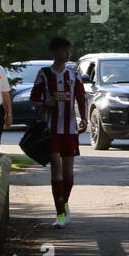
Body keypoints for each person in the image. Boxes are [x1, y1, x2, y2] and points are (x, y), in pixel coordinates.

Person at [30, 37, 88, 228]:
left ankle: (64, 205)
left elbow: (81, 98)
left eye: (68, 50)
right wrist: (45, 102)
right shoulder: (44, 74)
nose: (67, 54)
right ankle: (60, 214)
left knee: (68, 172)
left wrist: (85, 119)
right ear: (54, 53)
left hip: (70, 130)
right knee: (56, 165)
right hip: (51, 129)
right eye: (63, 50)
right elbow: (33, 98)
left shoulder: (73, 74)